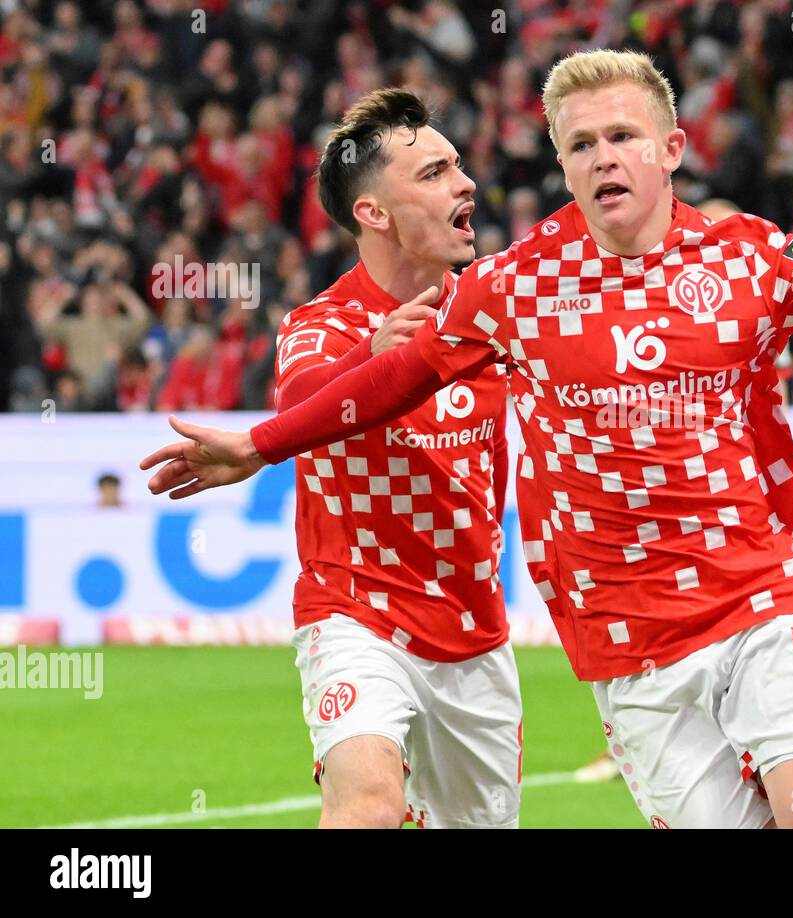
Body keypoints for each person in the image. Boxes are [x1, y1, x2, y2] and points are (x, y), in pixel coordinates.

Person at [141, 51, 793, 829]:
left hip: (766, 580)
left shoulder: (752, 257)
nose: (604, 157)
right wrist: (261, 445)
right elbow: (384, 384)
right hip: (625, 631)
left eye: (622, 136)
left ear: (672, 150)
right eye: (580, 144)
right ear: (562, 166)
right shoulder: (509, 290)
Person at [264, 88, 519, 829]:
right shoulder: (323, 323)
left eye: (458, 165)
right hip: (356, 613)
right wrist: (371, 359)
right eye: (434, 173)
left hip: (474, 629)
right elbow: (298, 404)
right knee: (371, 804)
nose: (466, 184)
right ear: (373, 213)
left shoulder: (494, 315)